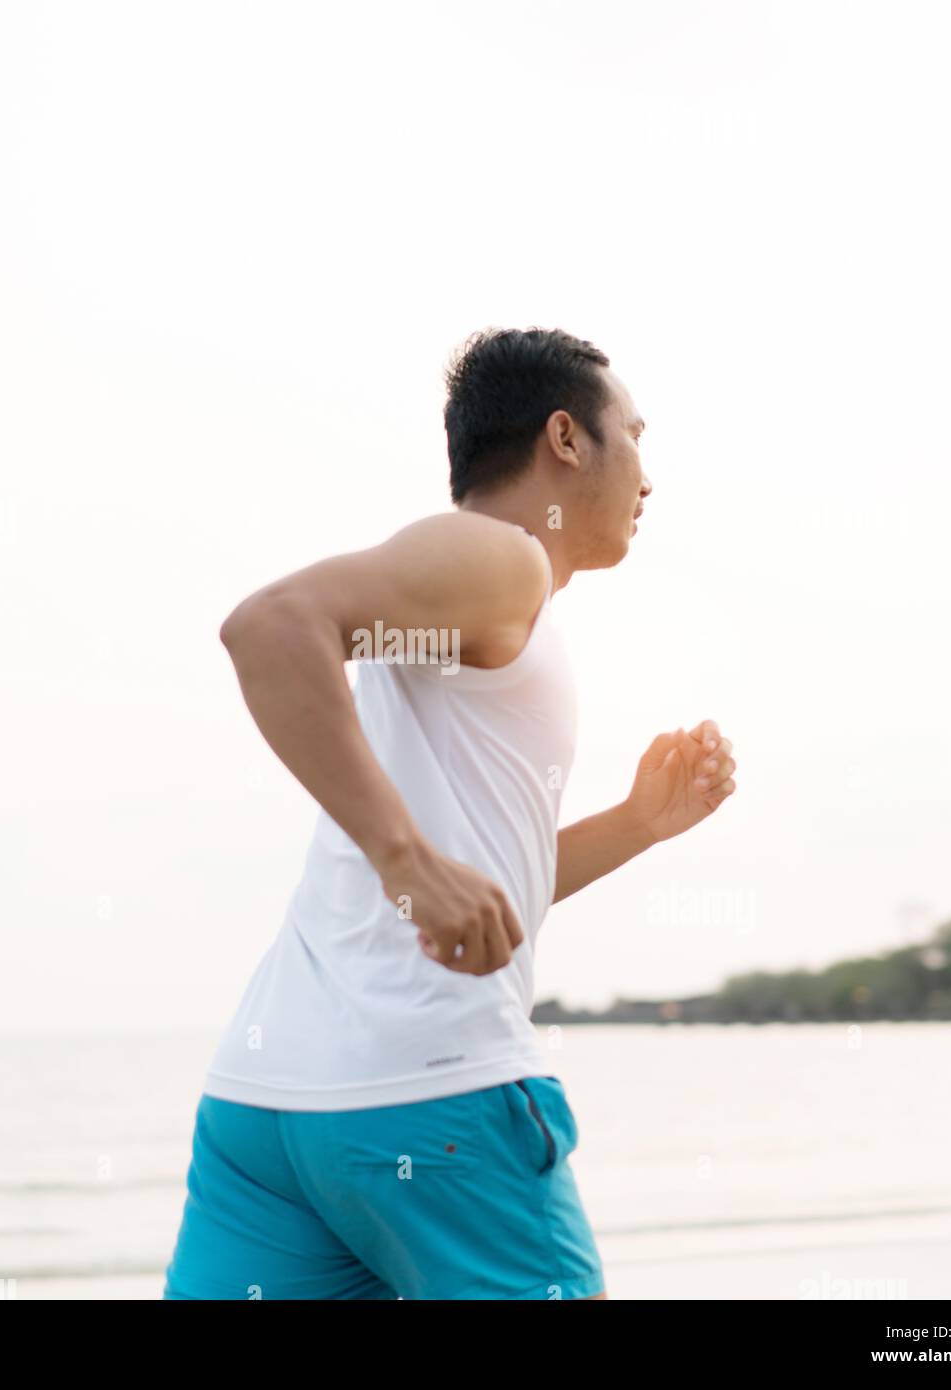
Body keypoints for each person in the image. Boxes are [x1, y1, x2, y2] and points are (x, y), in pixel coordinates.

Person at [163, 326, 737, 1300]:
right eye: (632, 436)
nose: (647, 477)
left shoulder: (471, 598)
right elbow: (267, 626)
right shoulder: (498, 558)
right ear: (565, 438)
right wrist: (406, 860)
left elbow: (475, 883)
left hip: (270, 1112)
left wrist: (636, 822)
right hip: (428, 1099)